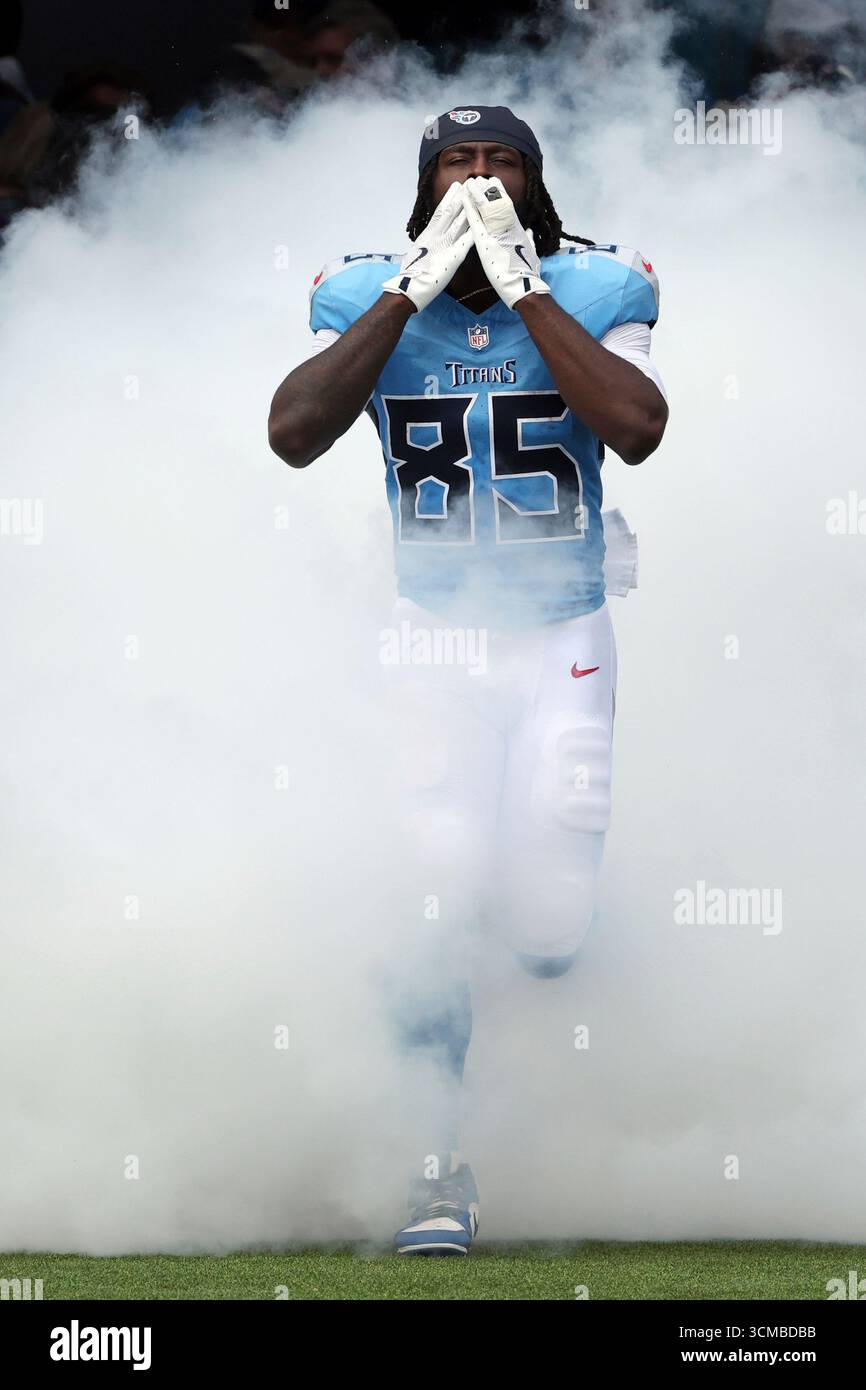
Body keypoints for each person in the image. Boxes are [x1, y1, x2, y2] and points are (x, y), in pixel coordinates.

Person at [268, 105, 668, 1254]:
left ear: (538, 189)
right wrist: (411, 290)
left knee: (545, 926)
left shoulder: (598, 288)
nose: (479, 179)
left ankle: (558, 926)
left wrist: (525, 289)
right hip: (433, 638)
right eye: (456, 163)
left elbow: (635, 426)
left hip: (560, 634)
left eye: (501, 164)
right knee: (432, 895)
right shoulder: (360, 295)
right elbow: (292, 433)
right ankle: (433, 1169)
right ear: (421, 188)